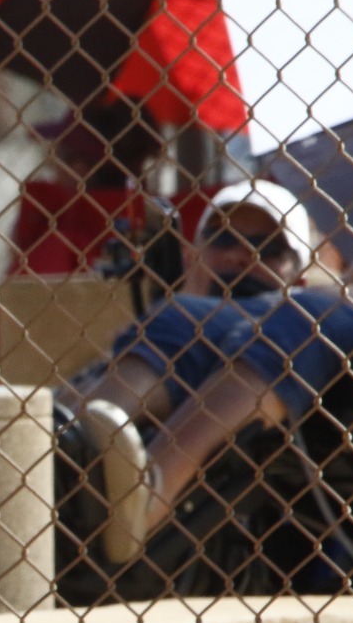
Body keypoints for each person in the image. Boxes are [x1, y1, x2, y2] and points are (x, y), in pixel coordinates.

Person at [61, 180, 317, 563]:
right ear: (191, 257)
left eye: (268, 248)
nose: (242, 254)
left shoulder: (301, 322)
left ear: (299, 281)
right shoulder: (167, 319)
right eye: (223, 239)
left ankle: (81, 452)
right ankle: (69, 442)